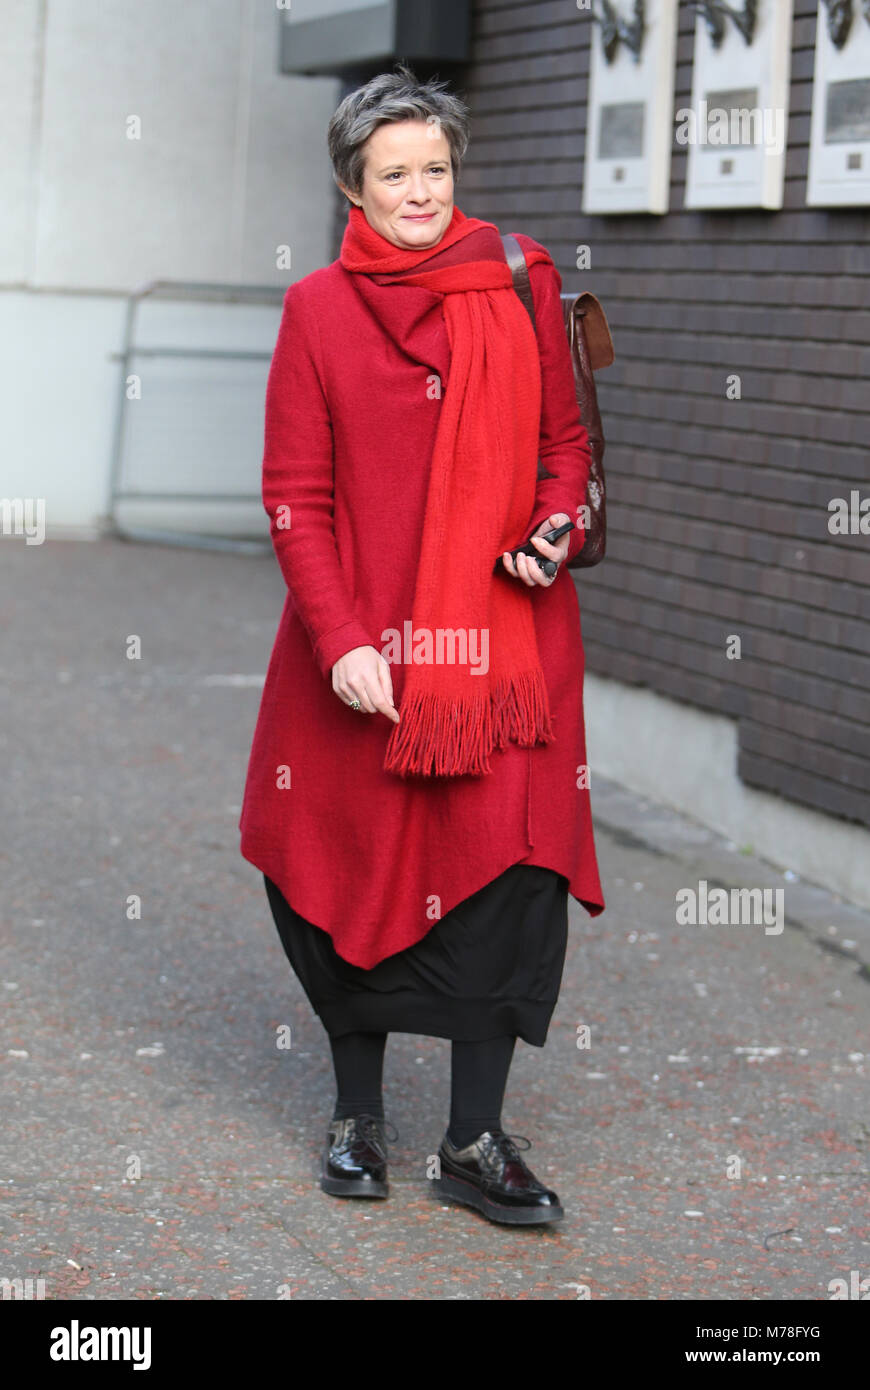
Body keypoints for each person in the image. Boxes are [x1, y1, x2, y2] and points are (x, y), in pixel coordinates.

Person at [239, 63, 605, 1227]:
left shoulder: (520, 278)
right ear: (354, 184)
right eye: (394, 173)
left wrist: (555, 526)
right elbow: (296, 492)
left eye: (435, 169)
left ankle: (474, 1138)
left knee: (508, 876)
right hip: (361, 661)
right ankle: (357, 1119)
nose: (419, 191)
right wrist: (342, 637)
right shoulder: (316, 312)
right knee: (350, 869)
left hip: (505, 657)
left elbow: (565, 444)